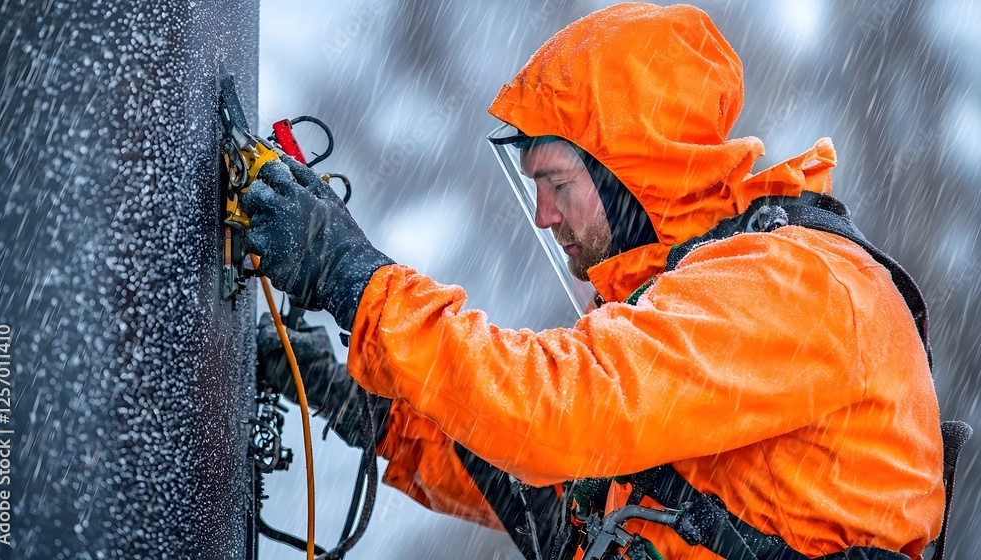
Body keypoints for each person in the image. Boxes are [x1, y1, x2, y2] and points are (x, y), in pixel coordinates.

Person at [246, 4, 945, 559]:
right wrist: (364, 407)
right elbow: (558, 485)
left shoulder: (794, 283)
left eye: (557, 183)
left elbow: (549, 415)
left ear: (629, 177)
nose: (545, 214)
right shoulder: (700, 293)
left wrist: (353, 279)